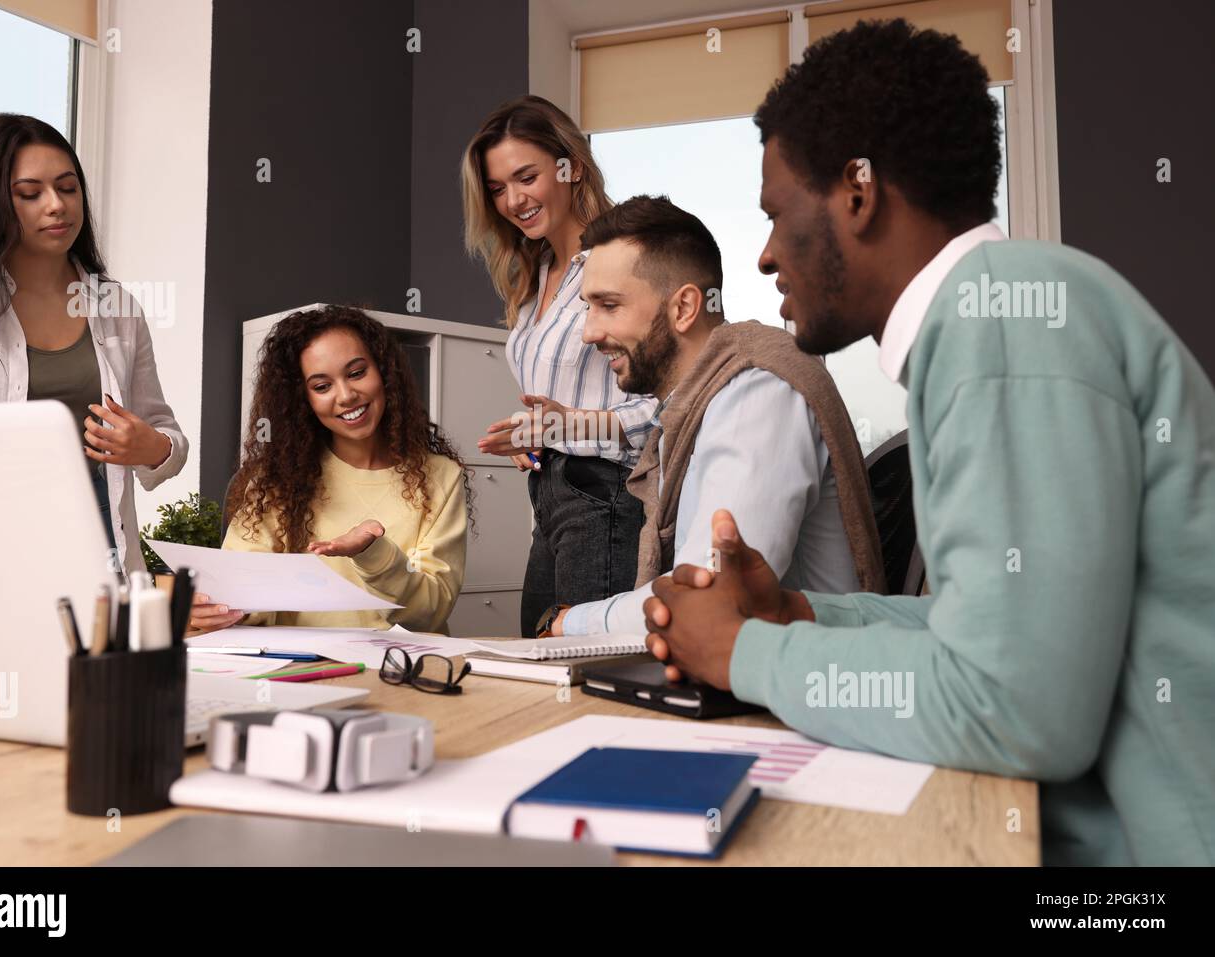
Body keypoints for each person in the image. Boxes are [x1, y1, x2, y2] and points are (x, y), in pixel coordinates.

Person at [642, 19, 1215, 865]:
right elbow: (983, 632)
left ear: (858, 195)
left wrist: (744, 651)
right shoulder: (1008, 306)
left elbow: (1018, 709)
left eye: (776, 214)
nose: (764, 256)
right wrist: (802, 614)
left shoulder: (1003, 318)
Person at [548, 194, 882, 637]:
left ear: (684, 308)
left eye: (609, 306)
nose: (590, 332)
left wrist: (570, 621)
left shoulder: (758, 391)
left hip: (799, 693)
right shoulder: (693, 410)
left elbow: (711, 598)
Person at [0, 113, 187, 575]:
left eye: (67, 187)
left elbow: (164, 432)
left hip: (100, 544)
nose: (57, 205)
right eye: (30, 194)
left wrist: (152, 448)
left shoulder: (115, 306)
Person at [462, 94, 657, 636]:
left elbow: (671, 403)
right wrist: (538, 437)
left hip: (607, 497)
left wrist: (570, 426)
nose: (513, 200)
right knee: (540, 658)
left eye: (527, 177)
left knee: (585, 671)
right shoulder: (534, 276)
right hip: (550, 500)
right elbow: (567, 399)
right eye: (498, 188)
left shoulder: (623, 261)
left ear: (569, 166)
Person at [189, 305, 470, 635]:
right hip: (300, 668)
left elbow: (430, 613)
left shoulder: (440, 477)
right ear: (302, 399)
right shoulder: (276, 480)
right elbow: (243, 590)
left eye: (356, 373)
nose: (347, 395)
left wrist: (372, 553)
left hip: (401, 668)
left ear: (384, 372)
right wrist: (218, 608)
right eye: (322, 386)